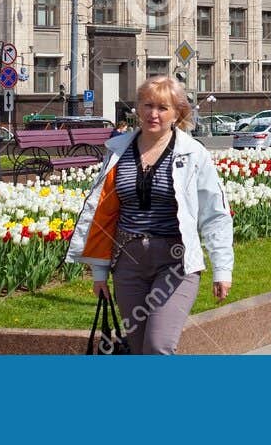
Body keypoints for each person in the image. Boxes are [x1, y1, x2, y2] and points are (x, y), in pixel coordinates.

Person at [66, 76, 233, 354]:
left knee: (158, 345)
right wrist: (99, 272)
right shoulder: (118, 151)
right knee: (138, 345)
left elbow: (215, 214)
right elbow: (104, 212)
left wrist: (222, 270)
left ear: (178, 113)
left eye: (163, 108)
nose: (153, 114)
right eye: (147, 105)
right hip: (128, 263)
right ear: (138, 109)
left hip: (175, 264)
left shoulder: (193, 154)